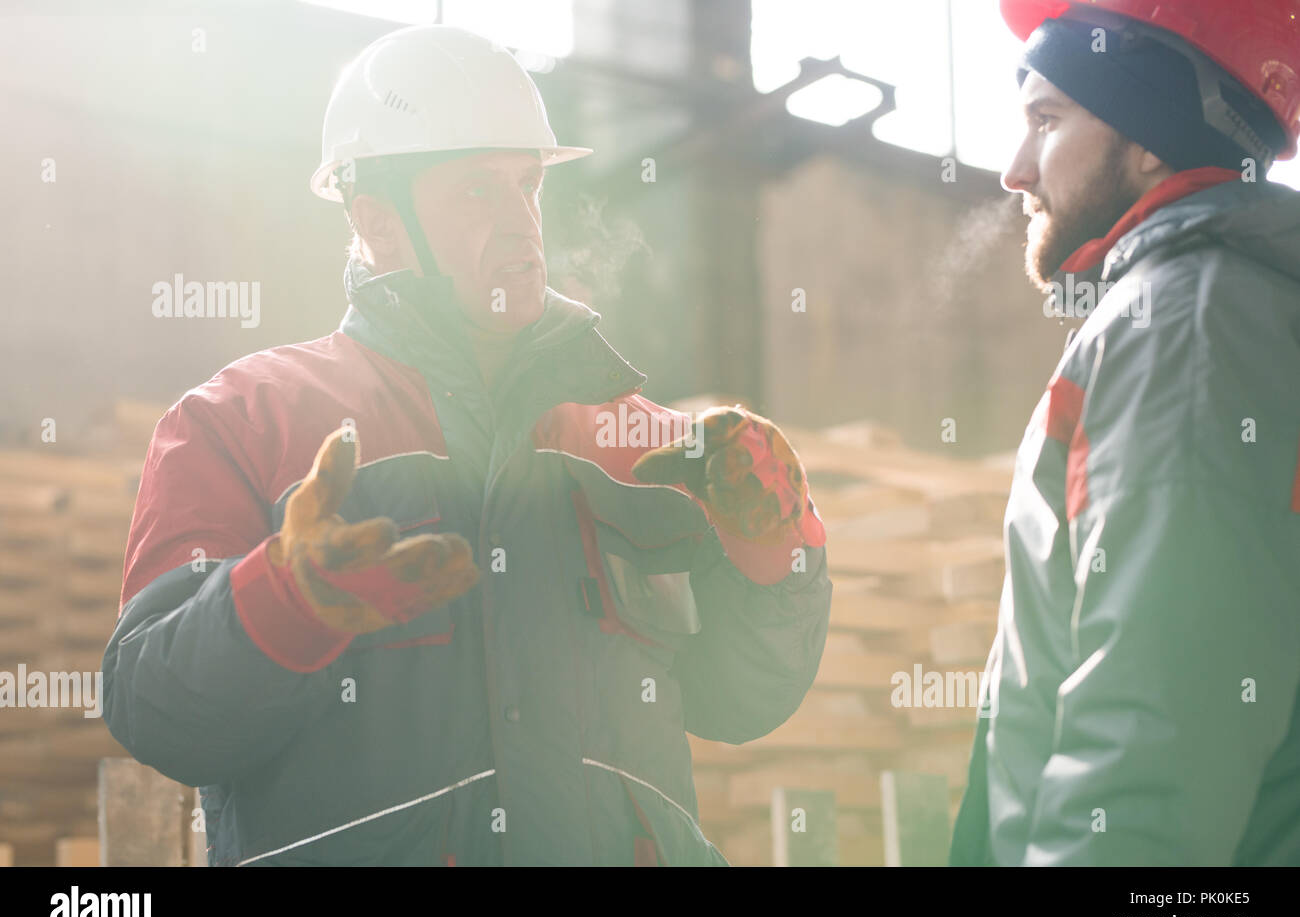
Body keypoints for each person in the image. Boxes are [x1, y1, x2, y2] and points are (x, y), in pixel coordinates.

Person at [103, 25, 831, 866]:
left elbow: (744, 700)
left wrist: (777, 549)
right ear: (376, 219)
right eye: (478, 195)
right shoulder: (242, 421)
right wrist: (282, 601)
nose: (524, 223)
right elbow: (158, 713)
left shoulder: (635, 440)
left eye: (528, 186)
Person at [951, 0, 1300, 865]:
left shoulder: (1183, 321)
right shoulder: (1228, 307)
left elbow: (1160, 722)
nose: (1014, 169)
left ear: (1151, 139)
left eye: (1046, 118)